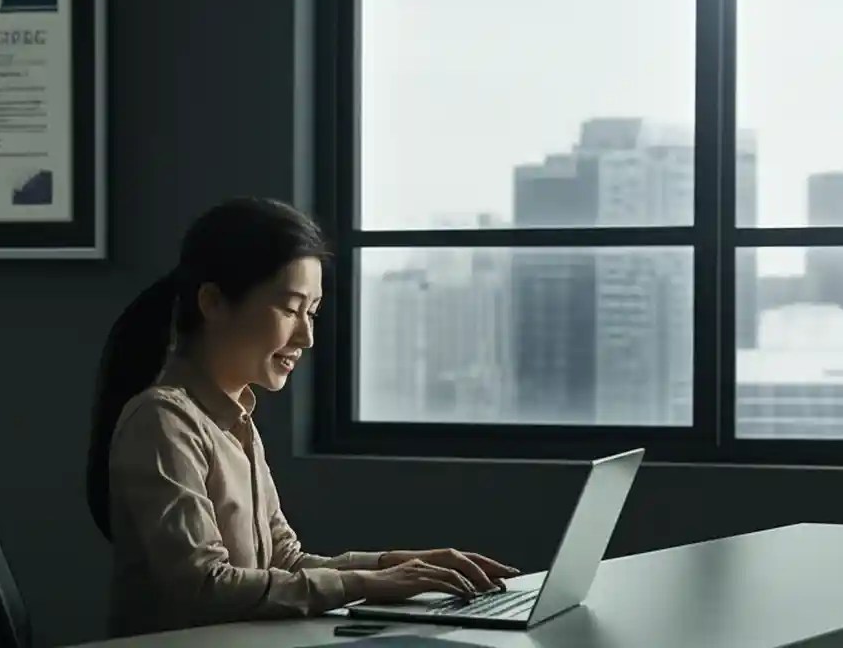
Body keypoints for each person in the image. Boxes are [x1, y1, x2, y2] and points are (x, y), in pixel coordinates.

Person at [86, 197, 519, 637]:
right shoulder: (163, 420)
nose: (306, 336)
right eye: (291, 309)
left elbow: (285, 562)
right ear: (214, 302)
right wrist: (365, 583)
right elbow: (204, 587)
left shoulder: (237, 422)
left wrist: (397, 565)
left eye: (311, 313)